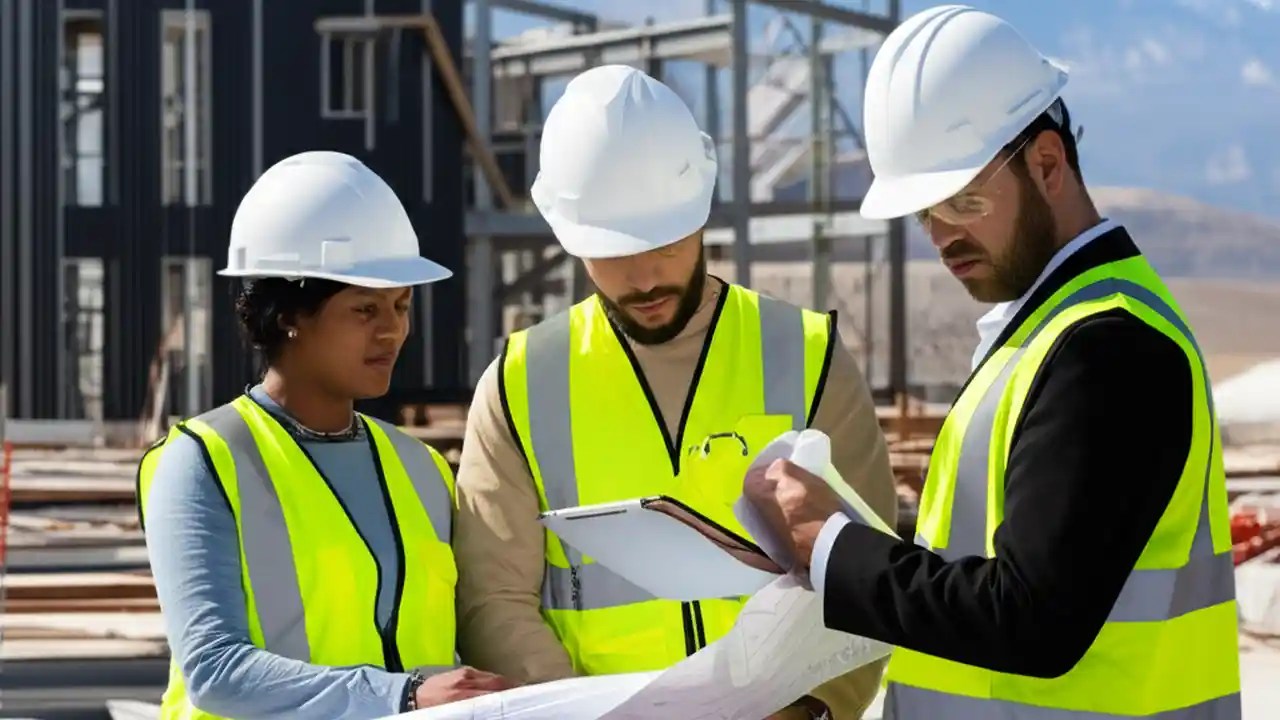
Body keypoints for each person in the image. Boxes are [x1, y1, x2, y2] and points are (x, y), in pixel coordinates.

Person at [744, 6, 1242, 720]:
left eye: (963, 200)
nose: (942, 234)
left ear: (1046, 163)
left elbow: (1032, 618)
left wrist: (831, 545)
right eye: (925, 213)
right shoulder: (1041, 335)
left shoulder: (1107, 347)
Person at [451, 65, 898, 720]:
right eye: (613, 250)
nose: (645, 274)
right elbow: (493, 601)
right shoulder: (520, 384)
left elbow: (871, 571)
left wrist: (804, 710)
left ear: (701, 212)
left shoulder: (808, 356)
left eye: (664, 240)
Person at [138, 151, 513, 719]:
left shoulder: (422, 468)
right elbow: (216, 669)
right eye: (365, 309)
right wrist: (400, 696)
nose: (392, 330)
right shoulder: (204, 462)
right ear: (290, 314)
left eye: (401, 305)